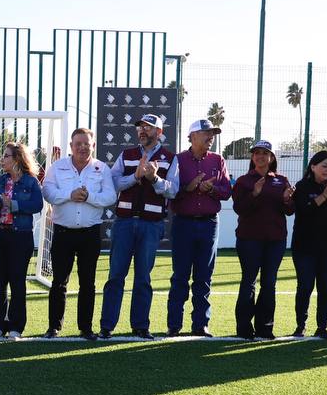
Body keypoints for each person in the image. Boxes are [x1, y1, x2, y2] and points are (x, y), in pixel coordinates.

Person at [100, 113, 176, 339]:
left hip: (151, 226)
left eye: (148, 127)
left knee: (143, 278)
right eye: (140, 127)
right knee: (115, 276)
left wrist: (154, 179)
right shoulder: (127, 155)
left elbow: (173, 190)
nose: (142, 131)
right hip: (123, 223)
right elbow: (113, 183)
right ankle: (107, 325)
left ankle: (140, 325)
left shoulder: (170, 158)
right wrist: (135, 176)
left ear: (159, 133)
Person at [40, 127, 115, 339]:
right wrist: (69, 195)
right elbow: (48, 191)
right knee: (58, 282)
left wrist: (89, 196)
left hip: (90, 234)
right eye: (78, 144)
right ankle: (54, 326)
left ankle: (86, 328)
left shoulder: (102, 168)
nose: (82, 147)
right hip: (62, 233)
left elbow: (110, 197)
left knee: (87, 282)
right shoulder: (57, 167)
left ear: (93, 145)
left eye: (86, 144)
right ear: (71, 146)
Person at [161, 120, 233, 337]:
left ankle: (201, 324)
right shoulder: (178, 160)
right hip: (183, 223)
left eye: (212, 134)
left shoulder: (218, 160)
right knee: (180, 276)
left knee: (204, 276)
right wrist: (188, 188)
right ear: (192, 136)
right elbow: (170, 191)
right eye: (206, 134)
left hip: (210, 223)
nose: (210, 138)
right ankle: (174, 324)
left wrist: (211, 189)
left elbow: (226, 190)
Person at [230, 141, 295, 340]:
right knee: (248, 281)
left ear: (271, 158)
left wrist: (286, 199)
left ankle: (265, 328)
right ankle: (244, 329)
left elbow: (290, 210)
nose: (260, 156)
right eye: (256, 153)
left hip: (275, 240)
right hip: (249, 239)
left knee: (269, 283)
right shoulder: (243, 181)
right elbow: (239, 208)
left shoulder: (281, 180)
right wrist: (254, 194)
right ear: (252, 157)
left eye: (265, 153)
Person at [0, 141, 44, 340]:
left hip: (20, 236)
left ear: (17, 159)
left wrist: (14, 204)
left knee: (17, 281)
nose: (2, 159)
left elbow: (37, 204)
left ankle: (16, 327)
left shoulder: (31, 182)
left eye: (6, 156)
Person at [290, 151, 327, 339]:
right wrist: (325, 194)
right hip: (304, 247)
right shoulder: (302, 186)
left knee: (326, 288)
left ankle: (322, 327)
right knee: (305, 287)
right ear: (313, 167)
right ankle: (301, 326)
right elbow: (304, 209)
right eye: (325, 165)